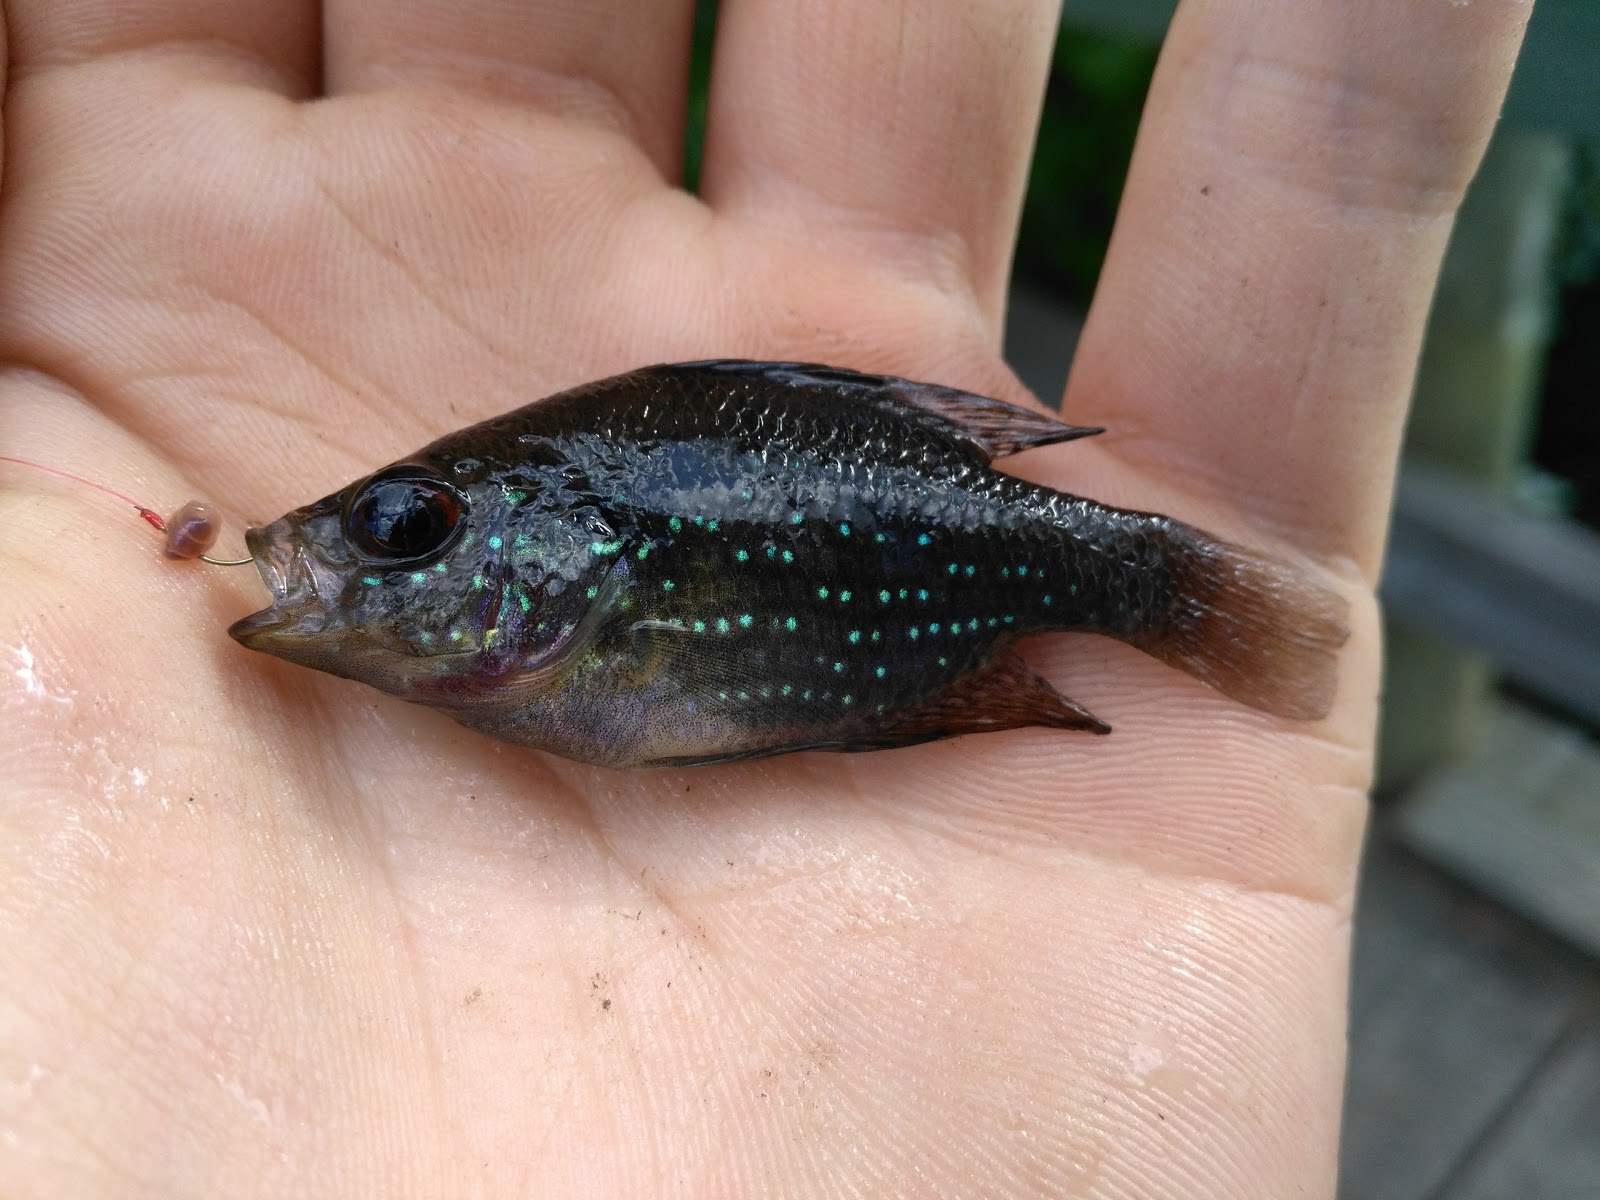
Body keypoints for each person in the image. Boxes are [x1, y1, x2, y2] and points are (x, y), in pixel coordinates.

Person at [0, 1, 1528, 1195]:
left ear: (556, 541)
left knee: (1152, 578)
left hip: (976, 571)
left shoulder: (593, 616)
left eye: (410, 527)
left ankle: (1164, 592)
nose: (344, 556)